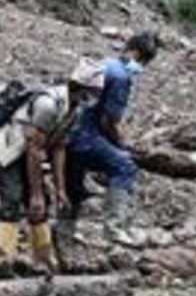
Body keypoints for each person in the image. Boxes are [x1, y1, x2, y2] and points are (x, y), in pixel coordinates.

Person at [0, 60, 106, 273]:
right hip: (8, 148)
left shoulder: (74, 110)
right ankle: (3, 260)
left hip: (29, 151)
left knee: (43, 206)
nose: (94, 97)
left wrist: (60, 189)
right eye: (93, 91)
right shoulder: (48, 105)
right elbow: (34, 149)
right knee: (13, 199)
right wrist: (35, 194)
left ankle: (42, 260)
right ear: (79, 87)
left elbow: (59, 148)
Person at [62, 32, 161, 247]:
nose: (142, 66)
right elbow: (109, 122)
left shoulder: (104, 64)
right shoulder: (121, 77)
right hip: (86, 137)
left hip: (67, 135)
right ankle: (115, 229)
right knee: (125, 166)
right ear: (136, 53)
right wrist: (123, 145)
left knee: (74, 185)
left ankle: (63, 233)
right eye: (144, 61)